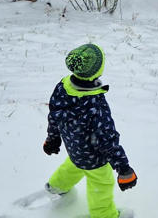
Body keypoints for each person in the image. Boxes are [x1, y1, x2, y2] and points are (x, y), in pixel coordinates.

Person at [42, 43, 137, 218]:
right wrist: (124, 169)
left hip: (75, 149)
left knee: (73, 166)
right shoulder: (94, 103)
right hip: (95, 159)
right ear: (96, 71)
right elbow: (107, 138)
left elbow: (54, 114)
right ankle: (104, 215)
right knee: (101, 185)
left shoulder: (62, 87)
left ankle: (56, 186)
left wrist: (52, 139)